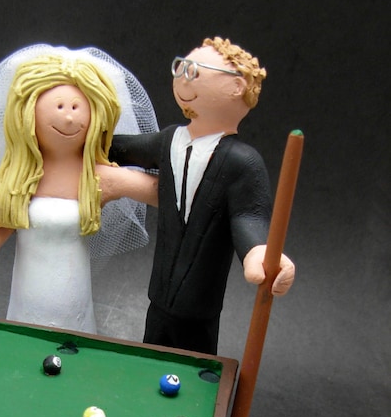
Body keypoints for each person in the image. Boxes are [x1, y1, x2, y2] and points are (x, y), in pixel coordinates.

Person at [0, 46, 159, 333]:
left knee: (73, 342)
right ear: (26, 114)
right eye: (59, 107)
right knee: (25, 342)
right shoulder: (21, 178)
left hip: (72, 294)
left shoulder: (97, 178)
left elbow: (158, 192)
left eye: (76, 107)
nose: (69, 118)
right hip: (28, 293)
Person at [109, 37, 295, 354]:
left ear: (236, 87)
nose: (183, 78)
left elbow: (248, 217)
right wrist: (80, 135)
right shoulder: (168, 140)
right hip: (159, 296)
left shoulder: (243, 162)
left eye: (194, 71)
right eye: (181, 67)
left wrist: (260, 254)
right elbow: (122, 149)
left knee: (195, 368)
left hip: (200, 308)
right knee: (150, 360)